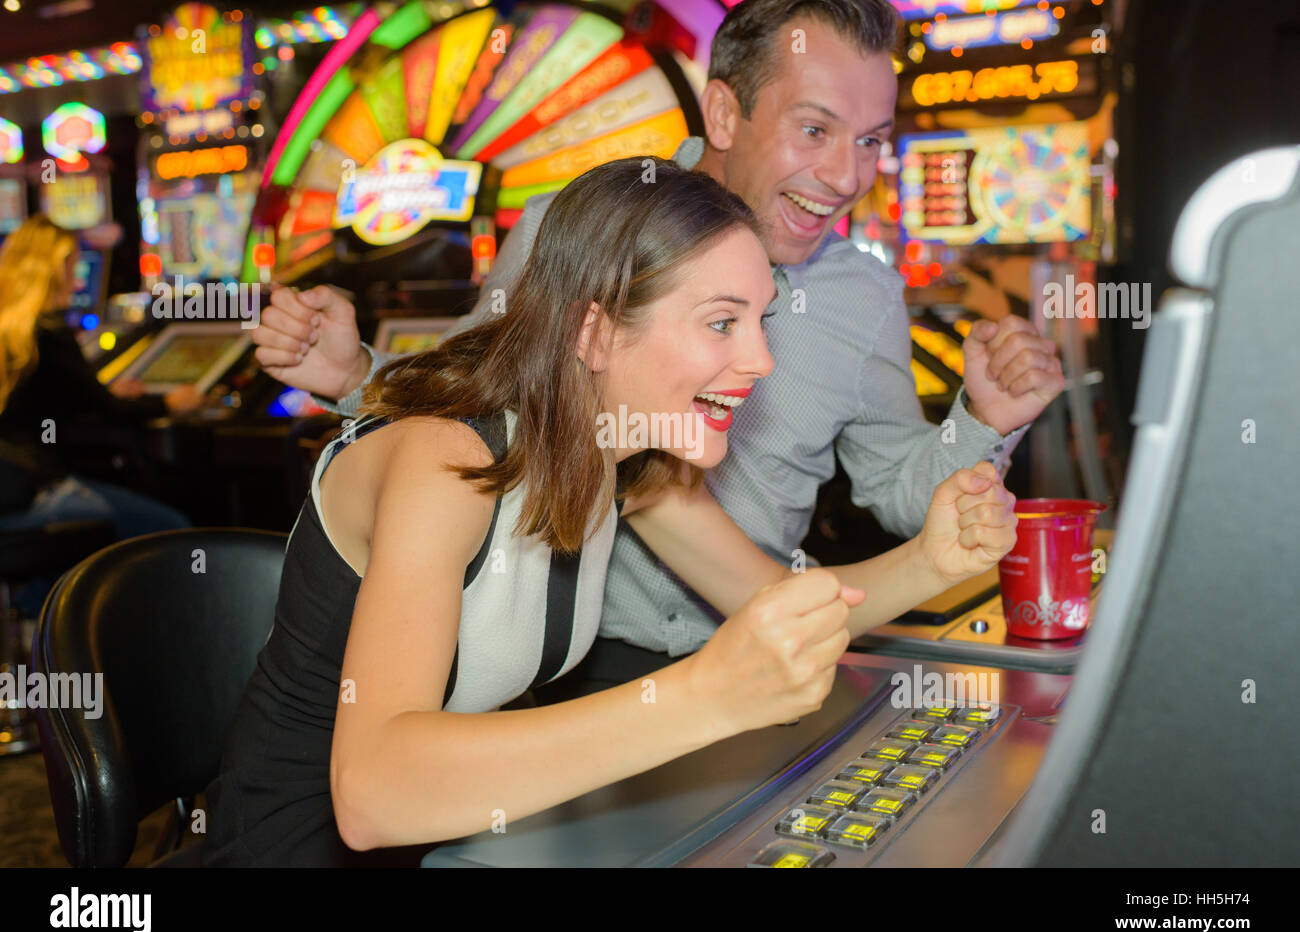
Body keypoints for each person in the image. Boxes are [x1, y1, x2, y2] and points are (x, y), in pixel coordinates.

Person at [203, 159, 1017, 866]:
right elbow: (372, 793)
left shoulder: (631, 457)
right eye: (721, 323)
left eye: (760, 322)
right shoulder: (445, 459)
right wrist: (704, 694)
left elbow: (775, 603)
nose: (761, 360)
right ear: (595, 331)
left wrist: (931, 561)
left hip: (470, 844)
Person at [251, 0, 1061, 690]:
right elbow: (473, 407)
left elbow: (889, 502)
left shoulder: (859, 298)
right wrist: (356, 374)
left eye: (873, 141)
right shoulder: (586, 231)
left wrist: (981, 422)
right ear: (722, 113)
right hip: (560, 661)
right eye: (815, 129)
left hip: (753, 642)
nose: (847, 176)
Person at [0, 216, 198, 613]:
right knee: (174, 532)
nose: (78, 280)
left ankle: (38, 615)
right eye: (72, 265)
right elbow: (110, 411)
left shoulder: (13, 332)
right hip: (38, 495)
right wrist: (171, 403)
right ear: (50, 270)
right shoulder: (48, 334)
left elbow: (49, 400)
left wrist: (102, 395)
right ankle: (136, 643)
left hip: (11, 494)